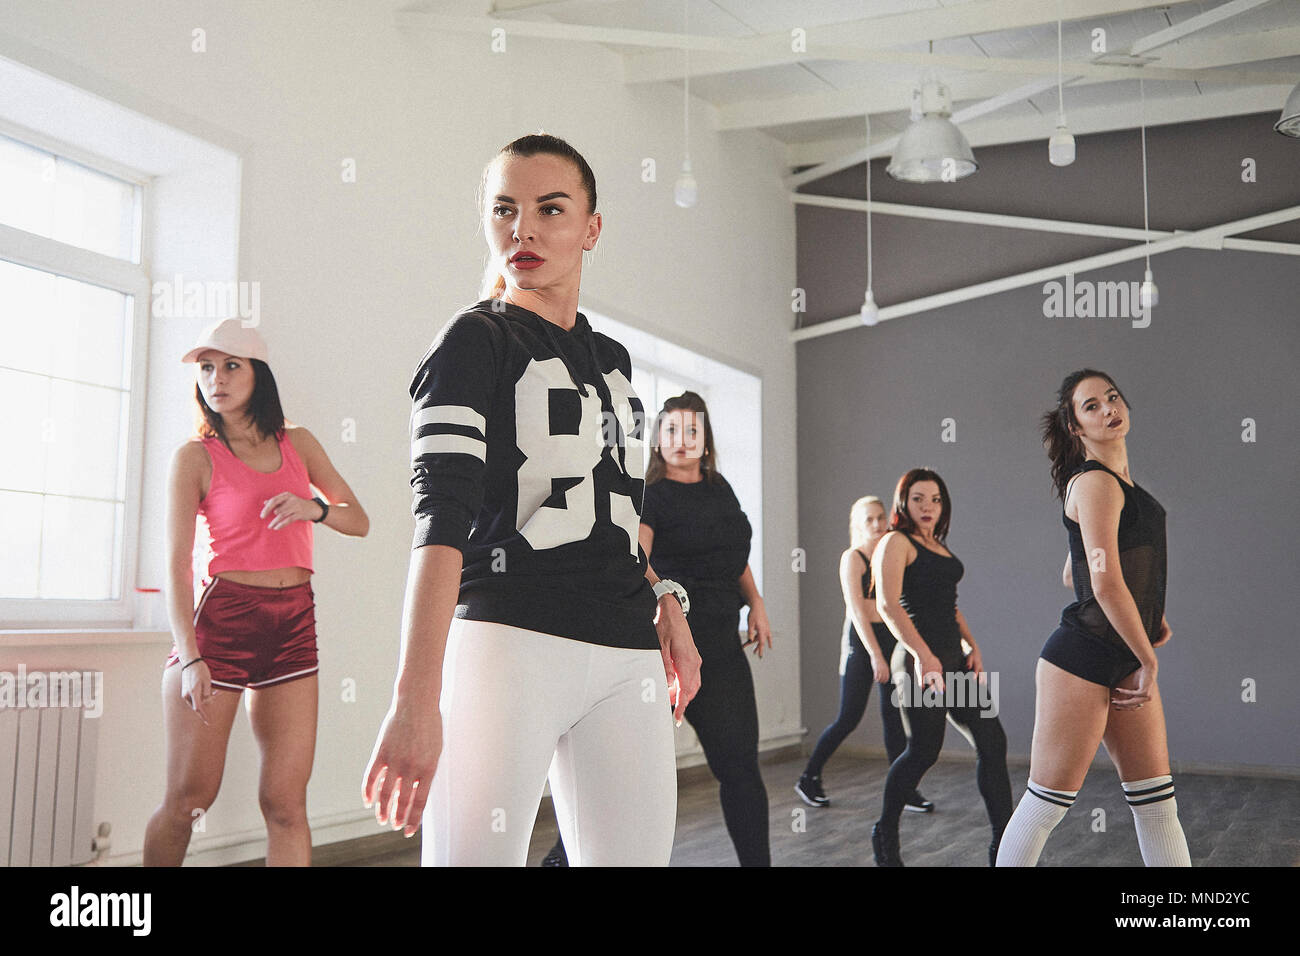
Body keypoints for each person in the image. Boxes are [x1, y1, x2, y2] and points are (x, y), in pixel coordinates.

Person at [361, 134, 702, 866]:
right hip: (508, 643)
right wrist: (415, 699)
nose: (525, 229)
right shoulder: (472, 340)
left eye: (551, 208)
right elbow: (439, 523)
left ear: (592, 228)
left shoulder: (612, 360)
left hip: (626, 652)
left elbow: (613, 516)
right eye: (505, 210)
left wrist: (666, 599)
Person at [144, 318, 369, 866]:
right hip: (219, 626)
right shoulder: (195, 457)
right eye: (206, 368)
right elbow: (174, 563)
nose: (215, 379)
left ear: (258, 374)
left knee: (286, 803)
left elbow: (357, 519)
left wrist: (314, 508)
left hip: (293, 624)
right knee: (189, 800)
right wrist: (191, 656)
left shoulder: (299, 443)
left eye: (230, 365)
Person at [997, 370, 1189, 867]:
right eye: (1091, 406)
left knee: (1156, 803)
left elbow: (1077, 570)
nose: (1108, 408)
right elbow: (1101, 583)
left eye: (1112, 397)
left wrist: (1150, 615)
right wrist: (1147, 653)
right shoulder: (1095, 482)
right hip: (1081, 659)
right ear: (1076, 427)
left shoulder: (1118, 485)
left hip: (1123, 652)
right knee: (1045, 805)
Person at [870, 468, 1012, 866]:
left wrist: (973, 645)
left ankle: (1005, 846)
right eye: (918, 498)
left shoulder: (940, 547)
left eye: (935, 499)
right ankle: (885, 833)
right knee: (923, 751)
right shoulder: (895, 542)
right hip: (920, 663)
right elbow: (888, 604)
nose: (928, 506)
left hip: (954, 658)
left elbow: (949, 606)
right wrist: (923, 655)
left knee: (993, 742)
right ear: (904, 502)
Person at [795, 496, 933, 814]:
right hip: (861, 642)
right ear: (858, 524)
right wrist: (875, 655)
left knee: (894, 715)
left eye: (880, 517)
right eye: (868, 519)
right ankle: (809, 777)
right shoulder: (853, 558)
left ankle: (904, 789)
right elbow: (857, 611)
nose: (876, 524)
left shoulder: (890, 554)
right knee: (848, 718)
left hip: (891, 637)